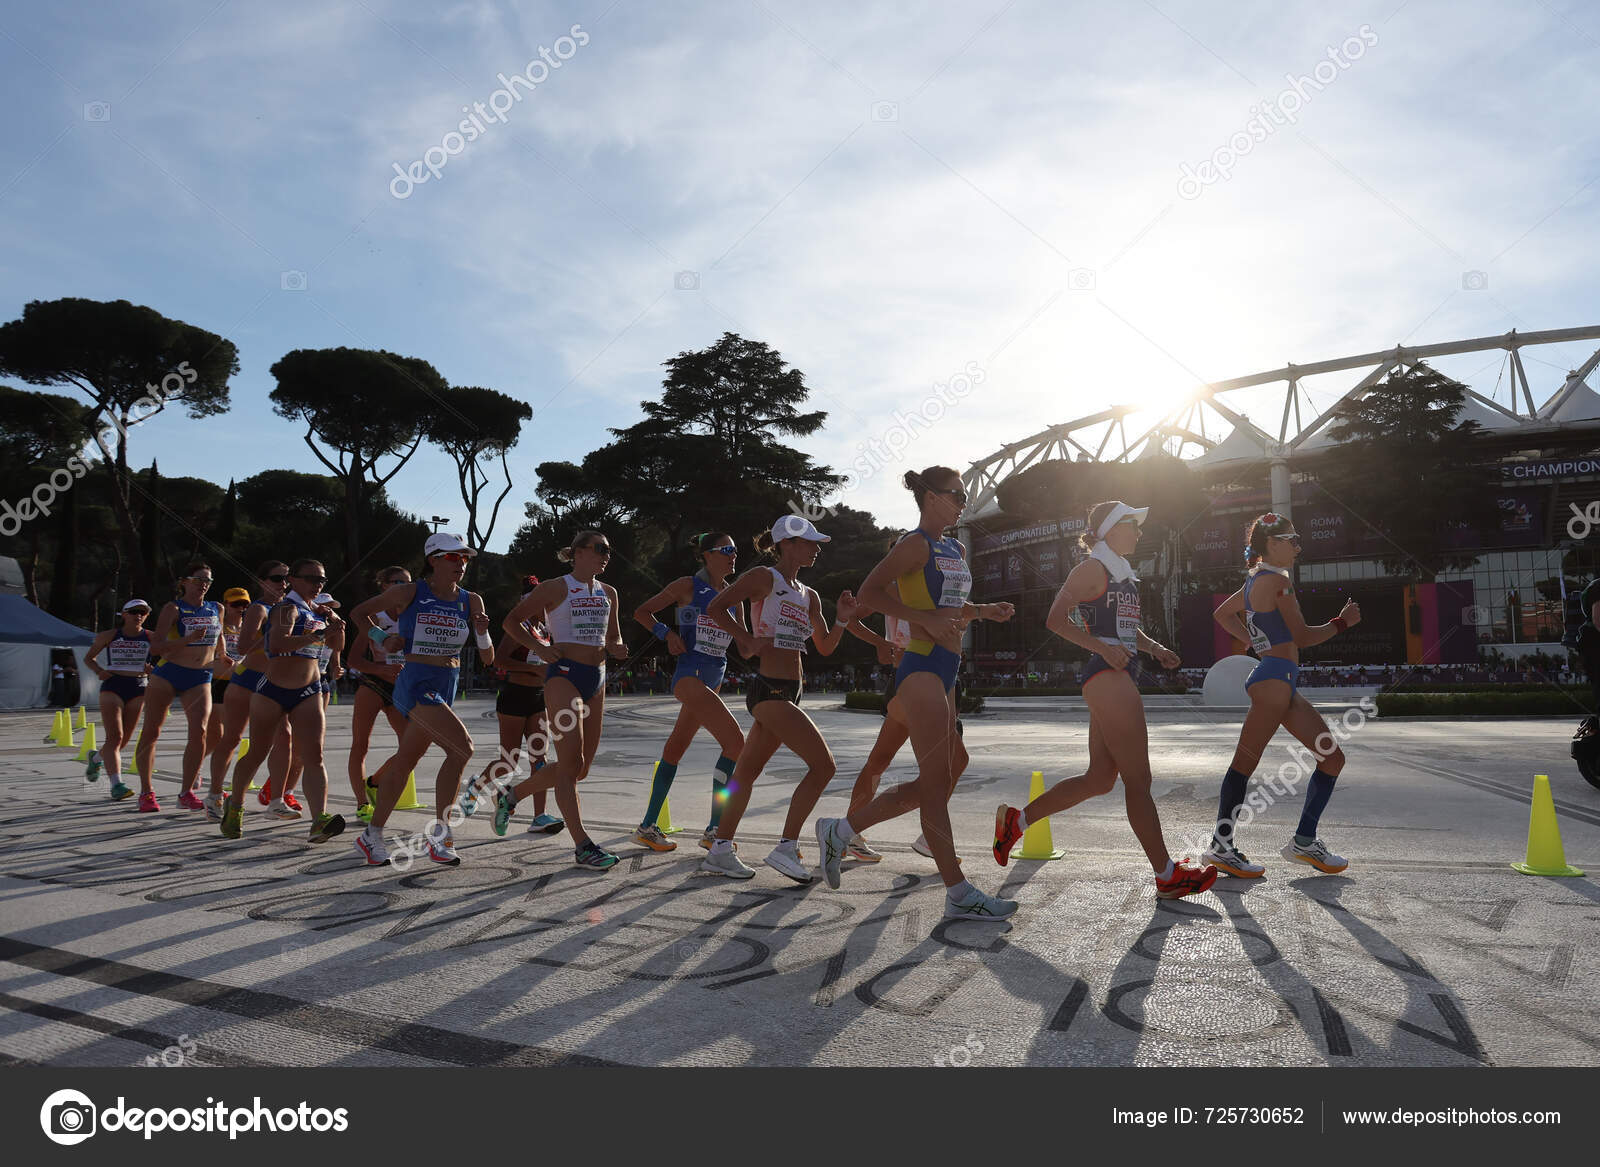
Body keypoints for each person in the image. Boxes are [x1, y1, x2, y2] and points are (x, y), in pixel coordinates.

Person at [815, 468, 1018, 919]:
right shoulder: (914, 544)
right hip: (921, 667)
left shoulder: (954, 547)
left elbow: (950, 605)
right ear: (929, 497)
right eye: (956, 494)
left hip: (947, 670)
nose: (963, 501)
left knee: (941, 778)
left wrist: (984, 610)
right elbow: (871, 591)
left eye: (965, 494)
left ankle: (841, 830)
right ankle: (959, 890)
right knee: (933, 782)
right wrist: (918, 619)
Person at [992, 501, 1218, 901]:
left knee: (1099, 779)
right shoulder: (1091, 569)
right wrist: (1101, 647)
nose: (1139, 532)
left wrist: (1155, 649)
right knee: (1139, 781)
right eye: (1132, 524)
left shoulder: (1122, 575)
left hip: (1116, 673)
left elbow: (1126, 632)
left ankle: (1017, 821)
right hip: (1108, 677)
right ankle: (1167, 875)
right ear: (1111, 529)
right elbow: (1055, 620)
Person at [698, 515, 858, 882]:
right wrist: (746, 639)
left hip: (791, 690)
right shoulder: (762, 578)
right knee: (824, 766)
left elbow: (825, 646)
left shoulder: (810, 594)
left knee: (745, 774)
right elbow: (715, 608)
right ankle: (786, 847)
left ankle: (720, 849)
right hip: (768, 688)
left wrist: (843, 620)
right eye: (810, 542)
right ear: (786, 543)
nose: (816, 548)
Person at [1205, 513, 1362, 876]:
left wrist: (1254, 642)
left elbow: (1221, 614)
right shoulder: (1277, 581)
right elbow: (1304, 637)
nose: (1297, 545)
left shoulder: (1254, 582)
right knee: (1243, 765)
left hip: (1278, 679)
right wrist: (1343, 622)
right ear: (1271, 544)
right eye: (1291, 538)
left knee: (1332, 758)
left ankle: (1304, 841)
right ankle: (1221, 847)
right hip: (1274, 682)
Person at [349, 533, 492, 867]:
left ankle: (371, 835)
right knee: (462, 748)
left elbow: (487, 659)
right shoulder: (409, 591)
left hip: (447, 682)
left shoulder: (472, 601)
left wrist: (483, 631)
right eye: (453, 558)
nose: (461, 564)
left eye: (465, 559)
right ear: (434, 559)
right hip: (416, 683)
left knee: (406, 762)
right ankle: (441, 835)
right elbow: (359, 613)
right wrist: (383, 637)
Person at [491, 531, 628, 870]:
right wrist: (538, 648)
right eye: (600, 549)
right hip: (564, 676)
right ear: (578, 552)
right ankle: (583, 846)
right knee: (570, 762)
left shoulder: (609, 592)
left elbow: (613, 635)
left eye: (609, 550)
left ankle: (511, 796)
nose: (606, 555)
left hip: (596, 678)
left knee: (579, 769)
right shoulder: (556, 586)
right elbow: (511, 621)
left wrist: (617, 646)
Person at [627, 532, 746, 853]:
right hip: (689, 675)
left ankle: (647, 827)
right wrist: (667, 634)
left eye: (736, 551)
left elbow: (746, 649)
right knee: (735, 743)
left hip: (715, 678)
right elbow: (642, 612)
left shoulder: (735, 597)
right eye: (727, 550)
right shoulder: (688, 586)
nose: (734, 555)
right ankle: (714, 829)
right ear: (707, 555)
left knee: (676, 748)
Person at [218, 559, 345, 844]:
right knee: (258, 751)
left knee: (314, 756)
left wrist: (336, 627)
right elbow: (276, 645)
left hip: (309, 689)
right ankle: (235, 805)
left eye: (322, 580)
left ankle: (318, 819)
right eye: (312, 579)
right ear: (294, 581)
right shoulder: (285, 609)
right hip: (273, 689)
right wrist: (318, 634)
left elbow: (336, 647)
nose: (318, 585)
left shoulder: (316, 610)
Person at [461, 575, 563, 834]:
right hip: (514, 695)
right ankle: (476, 786)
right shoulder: (522, 627)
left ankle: (540, 816)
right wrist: (534, 670)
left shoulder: (546, 629)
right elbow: (500, 661)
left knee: (540, 759)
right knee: (509, 760)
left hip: (538, 697)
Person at [134, 562, 233, 813]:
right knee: (151, 732)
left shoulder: (216, 608)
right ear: (184, 582)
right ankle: (146, 792)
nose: (203, 585)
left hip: (200, 676)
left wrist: (223, 654)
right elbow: (156, 647)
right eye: (198, 580)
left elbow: (219, 634)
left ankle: (186, 792)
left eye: (208, 581)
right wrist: (188, 640)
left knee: (200, 732)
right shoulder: (174, 608)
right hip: (168, 674)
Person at [203, 562, 292, 822]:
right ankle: (214, 795)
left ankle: (276, 800)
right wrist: (273, 633)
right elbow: (243, 646)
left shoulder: (291, 609)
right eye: (276, 578)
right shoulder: (258, 608)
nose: (282, 583)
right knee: (232, 738)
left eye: (286, 579)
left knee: (284, 737)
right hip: (247, 679)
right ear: (262, 581)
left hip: (275, 681)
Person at [344, 566, 411, 823]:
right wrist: (381, 669)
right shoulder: (374, 617)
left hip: (402, 686)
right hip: (373, 683)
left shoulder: (413, 615)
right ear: (383, 586)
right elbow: (353, 659)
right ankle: (362, 803)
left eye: (406, 582)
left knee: (411, 745)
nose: (402, 586)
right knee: (361, 744)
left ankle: (374, 782)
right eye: (396, 582)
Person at [83, 599, 154, 800]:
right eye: (133, 611)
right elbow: (89, 658)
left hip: (139, 687)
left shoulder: (152, 637)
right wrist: (99, 671)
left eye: (143, 612)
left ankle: (96, 758)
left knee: (122, 742)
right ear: (123, 614)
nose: (138, 615)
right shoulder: (109, 635)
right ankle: (117, 785)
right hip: (113, 686)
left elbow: (168, 660)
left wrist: (154, 670)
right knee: (114, 738)